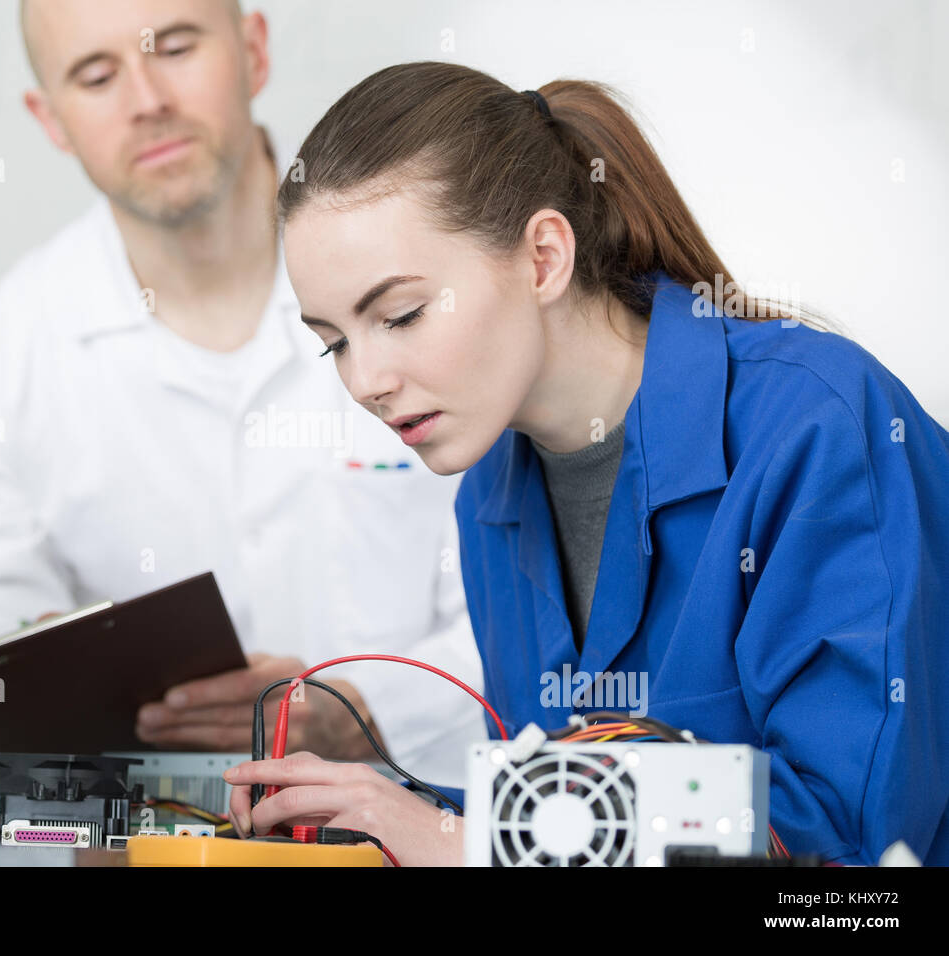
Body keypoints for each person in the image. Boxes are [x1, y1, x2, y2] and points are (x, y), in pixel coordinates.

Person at [225, 62, 949, 866]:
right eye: (333, 344)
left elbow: (849, 841)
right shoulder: (490, 494)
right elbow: (564, 798)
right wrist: (379, 813)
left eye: (400, 315)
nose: (365, 382)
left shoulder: (821, 426)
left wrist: (465, 841)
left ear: (542, 257)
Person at [0, 2, 486, 786]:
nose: (146, 99)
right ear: (51, 118)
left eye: (173, 47)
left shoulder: (431, 276)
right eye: (96, 76)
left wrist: (360, 712)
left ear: (253, 50)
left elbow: (534, 610)